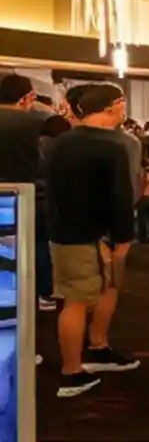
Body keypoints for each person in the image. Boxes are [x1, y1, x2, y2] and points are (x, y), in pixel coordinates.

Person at [44, 83, 138, 398]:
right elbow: (120, 197)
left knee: (83, 296)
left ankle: (96, 348)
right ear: (112, 107)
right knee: (75, 302)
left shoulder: (58, 144)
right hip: (91, 236)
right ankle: (71, 372)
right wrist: (124, 237)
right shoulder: (111, 147)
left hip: (63, 230)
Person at [0, 75, 55, 310]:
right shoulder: (38, 123)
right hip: (30, 193)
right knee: (38, 244)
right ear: (28, 97)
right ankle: (44, 294)